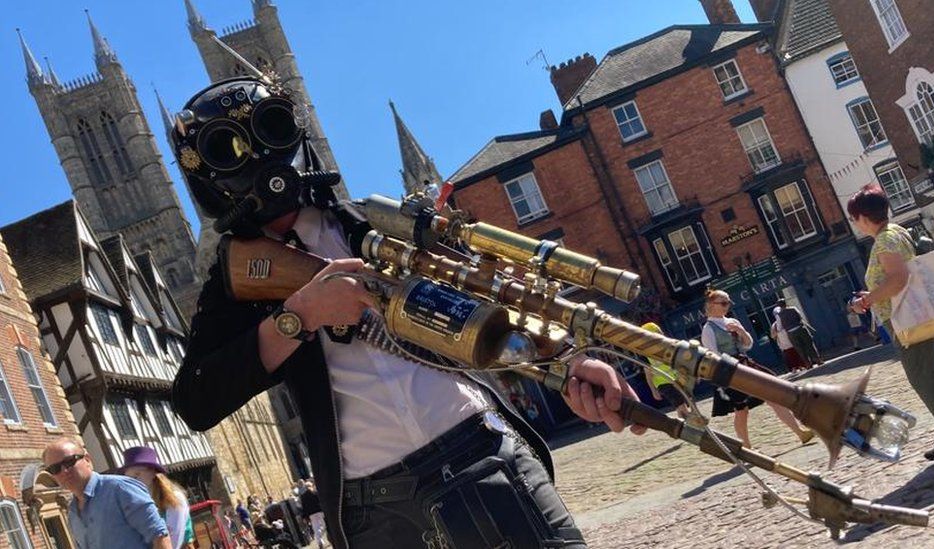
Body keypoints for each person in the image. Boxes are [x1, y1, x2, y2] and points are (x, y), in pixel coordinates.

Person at [170, 77, 645, 549]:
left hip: (481, 446)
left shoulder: (374, 220)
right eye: (228, 148)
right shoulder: (233, 279)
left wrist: (570, 359)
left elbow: (487, 294)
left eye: (270, 128)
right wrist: (297, 317)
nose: (261, 159)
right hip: (378, 508)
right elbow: (196, 399)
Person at [848, 183, 934, 460]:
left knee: (922, 378)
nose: (854, 223)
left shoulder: (884, 240)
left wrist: (868, 300)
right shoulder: (896, 232)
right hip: (920, 314)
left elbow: (899, 278)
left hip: (910, 320)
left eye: (854, 217)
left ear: (863, 217)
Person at [700, 290, 815, 449]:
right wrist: (733, 367)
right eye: (724, 303)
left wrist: (740, 331)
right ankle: (746, 447)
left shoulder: (732, 321)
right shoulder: (708, 328)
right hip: (728, 370)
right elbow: (713, 353)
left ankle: (800, 433)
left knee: (773, 397)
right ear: (711, 305)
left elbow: (748, 344)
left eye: (728, 302)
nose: (728, 306)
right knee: (742, 410)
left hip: (745, 363)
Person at [42, 438, 172, 549]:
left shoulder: (120, 489)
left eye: (69, 462)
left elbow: (160, 538)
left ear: (87, 459)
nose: (64, 471)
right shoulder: (72, 513)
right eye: (55, 469)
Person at [120, 446, 194, 548]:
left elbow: (174, 541)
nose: (133, 482)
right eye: (129, 479)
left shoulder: (175, 498)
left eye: (137, 475)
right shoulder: (134, 503)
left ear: (153, 472)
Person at [641, 321, 690, 418]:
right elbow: (648, 373)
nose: (661, 334)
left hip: (677, 379)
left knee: (683, 406)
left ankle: (683, 426)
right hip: (663, 384)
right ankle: (693, 425)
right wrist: (653, 390)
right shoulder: (646, 354)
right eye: (657, 332)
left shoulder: (669, 346)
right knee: (681, 406)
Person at [773, 299, 822, 367]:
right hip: (800, 328)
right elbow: (800, 317)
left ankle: (807, 363)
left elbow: (779, 327)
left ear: (779, 306)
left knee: (799, 348)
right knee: (809, 344)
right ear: (785, 303)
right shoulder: (793, 308)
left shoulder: (779, 315)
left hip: (790, 332)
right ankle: (817, 360)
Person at [301, 480, 326, 548]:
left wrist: (304, 517)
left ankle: (319, 541)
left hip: (311, 514)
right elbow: (321, 501)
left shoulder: (303, 496)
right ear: (311, 486)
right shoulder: (315, 492)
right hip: (319, 511)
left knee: (315, 527)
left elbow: (304, 507)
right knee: (324, 526)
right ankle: (319, 537)